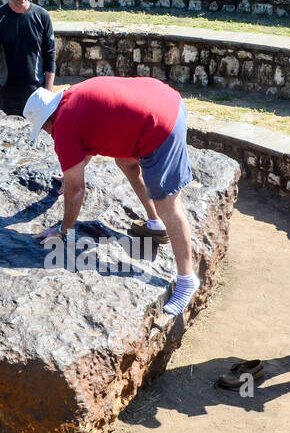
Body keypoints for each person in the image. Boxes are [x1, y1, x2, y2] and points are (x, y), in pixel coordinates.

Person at [24, 76, 201, 317]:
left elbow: (77, 191)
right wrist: (69, 173)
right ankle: (154, 222)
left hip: (160, 125)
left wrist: (63, 231)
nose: (47, 134)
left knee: (169, 205)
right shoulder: (72, 98)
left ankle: (187, 279)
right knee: (126, 162)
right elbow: (87, 142)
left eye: (44, 129)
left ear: (47, 122)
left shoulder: (63, 126)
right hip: (166, 98)